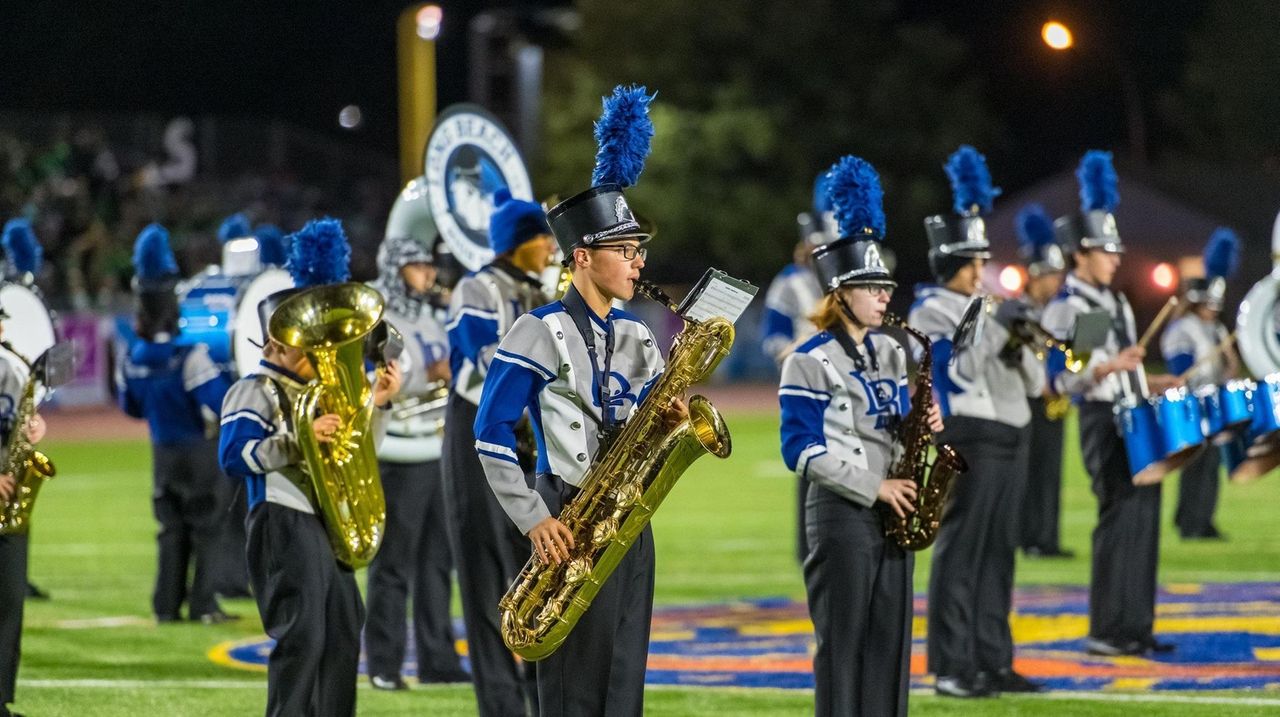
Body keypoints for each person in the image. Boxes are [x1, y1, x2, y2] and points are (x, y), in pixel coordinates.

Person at [474, 84, 682, 717]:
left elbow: (647, 428)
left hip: (630, 520)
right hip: (568, 515)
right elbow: (489, 431)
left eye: (638, 249)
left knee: (623, 689)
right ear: (583, 257)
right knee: (573, 694)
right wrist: (534, 516)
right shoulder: (539, 329)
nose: (637, 262)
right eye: (624, 251)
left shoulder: (639, 333)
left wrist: (670, 423)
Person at [218, 218, 402, 716]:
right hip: (281, 517)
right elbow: (235, 456)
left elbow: (356, 451)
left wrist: (377, 405)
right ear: (277, 341)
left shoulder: (324, 391)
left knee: (343, 630)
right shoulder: (252, 389)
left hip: (327, 520)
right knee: (303, 638)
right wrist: (298, 439)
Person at [781, 155, 943, 717]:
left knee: (890, 649)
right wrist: (872, 487)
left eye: (886, 286)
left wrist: (924, 424)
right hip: (843, 513)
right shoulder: (808, 359)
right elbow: (799, 450)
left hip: (893, 512)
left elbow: (892, 426)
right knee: (842, 649)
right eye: (872, 287)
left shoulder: (893, 351)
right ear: (841, 291)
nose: (884, 297)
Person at [908, 146, 1043, 697]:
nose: (981, 273)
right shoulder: (930, 310)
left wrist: (1023, 340)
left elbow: (1036, 383)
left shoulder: (989, 308)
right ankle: (951, 665)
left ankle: (993, 658)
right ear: (953, 265)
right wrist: (992, 331)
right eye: (973, 264)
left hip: (1011, 429)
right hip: (968, 432)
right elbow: (957, 373)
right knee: (962, 550)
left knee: (999, 552)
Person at [1043, 150, 1180, 657]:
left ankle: (1137, 626)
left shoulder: (1115, 303)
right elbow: (1065, 378)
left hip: (1136, 414)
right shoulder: (1075, 307)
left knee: (1145, 514)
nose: (1116, 257)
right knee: (1118, 517)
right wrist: (1107, 367)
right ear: (1080, 253)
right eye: (1106, 250)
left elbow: (1122, 368)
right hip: (1105, 422)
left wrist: (1153, 379)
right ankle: (1107, 628)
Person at [443, 188, 557, 715]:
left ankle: (542, 694)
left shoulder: (543, 288)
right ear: (518, 243)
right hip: (479, 429)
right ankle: (501, 704)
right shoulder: (478, 287)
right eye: (543, 238)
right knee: (485, 570)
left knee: (539, 572)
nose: (552, 247)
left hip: (534, 436)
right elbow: (482, 353)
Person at [363, 232, 468, 690]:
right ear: (396, 266)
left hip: (435, 447)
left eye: (430, 265)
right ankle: (384, 665)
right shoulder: (374, 316)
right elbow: (379, 384)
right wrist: (431, 374)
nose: (429, 273)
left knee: (436, 563)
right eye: (418, 265)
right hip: (398, 454)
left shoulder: (429, 313)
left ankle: (437, 660)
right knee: (393, 565)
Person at [117, 224, 236, 625]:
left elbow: (130, 407)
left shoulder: (132, 357)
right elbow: (218, 403)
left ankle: (165, 606)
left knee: (170, 531)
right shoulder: (191, 356)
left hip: (161, 454)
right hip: (198, 453)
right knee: (206, 529)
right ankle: (203, 604)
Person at [762, 174, 829, 564]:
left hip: (838, 377)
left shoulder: (839, 280)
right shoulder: (789, 282)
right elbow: (772, 334)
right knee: (807, 455)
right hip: (802, 375)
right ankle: (808, 544)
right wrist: (790, 351)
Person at [1161, 228, 1241, 540]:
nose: (1214, 311)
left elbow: (1229, 368)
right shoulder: (1183, 329)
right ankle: (1190, 521)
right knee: (1195, 465)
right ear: (1198, 303)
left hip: (1214, 401)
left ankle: (1203, 519)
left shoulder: (1217, 330)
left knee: (1210, 464)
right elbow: (1181, 369)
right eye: (1210, 305)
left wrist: (1230, 359)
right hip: (1191, 403)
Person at [1011, 204, 1073, 558]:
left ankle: (1046, 538)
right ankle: (1030, 538)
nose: (1057, 281)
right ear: (1034, 274)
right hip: (1027, 400)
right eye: (1051, 274)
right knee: (1030, 473)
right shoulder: (1017, 311)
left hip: (1054, 401)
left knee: (1051, 473)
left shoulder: (1058, 312)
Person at [0, 301, 48, 717]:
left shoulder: (10, 368)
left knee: (8, 603)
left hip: (8, 501)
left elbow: (21, 423)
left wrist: (31, 429)